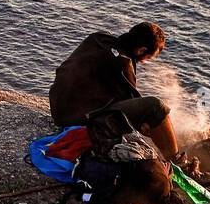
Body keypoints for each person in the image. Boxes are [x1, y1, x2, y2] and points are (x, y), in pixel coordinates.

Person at [48, 21, 179, 159]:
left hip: (58, 106)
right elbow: (133, 113)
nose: (145, 61)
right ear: (141, 50)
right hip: (74, 120)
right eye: (148, 57)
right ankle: (178, 161)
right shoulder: (124, 64)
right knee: (156, 107)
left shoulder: (98, 38)